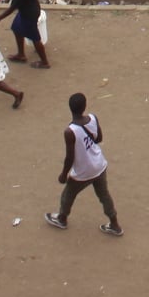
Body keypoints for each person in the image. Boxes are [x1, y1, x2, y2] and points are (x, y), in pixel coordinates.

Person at [44, 92, 122, 236]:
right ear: (85, 106)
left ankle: (62, 218)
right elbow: (99, 139)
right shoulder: (93, 118)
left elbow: (70, 156)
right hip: (99, 164)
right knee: (104, 195)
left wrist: (63, 174)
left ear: (70, 108)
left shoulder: (70, 131)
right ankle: (115, 224)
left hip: (84, 171)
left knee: (68, 194)